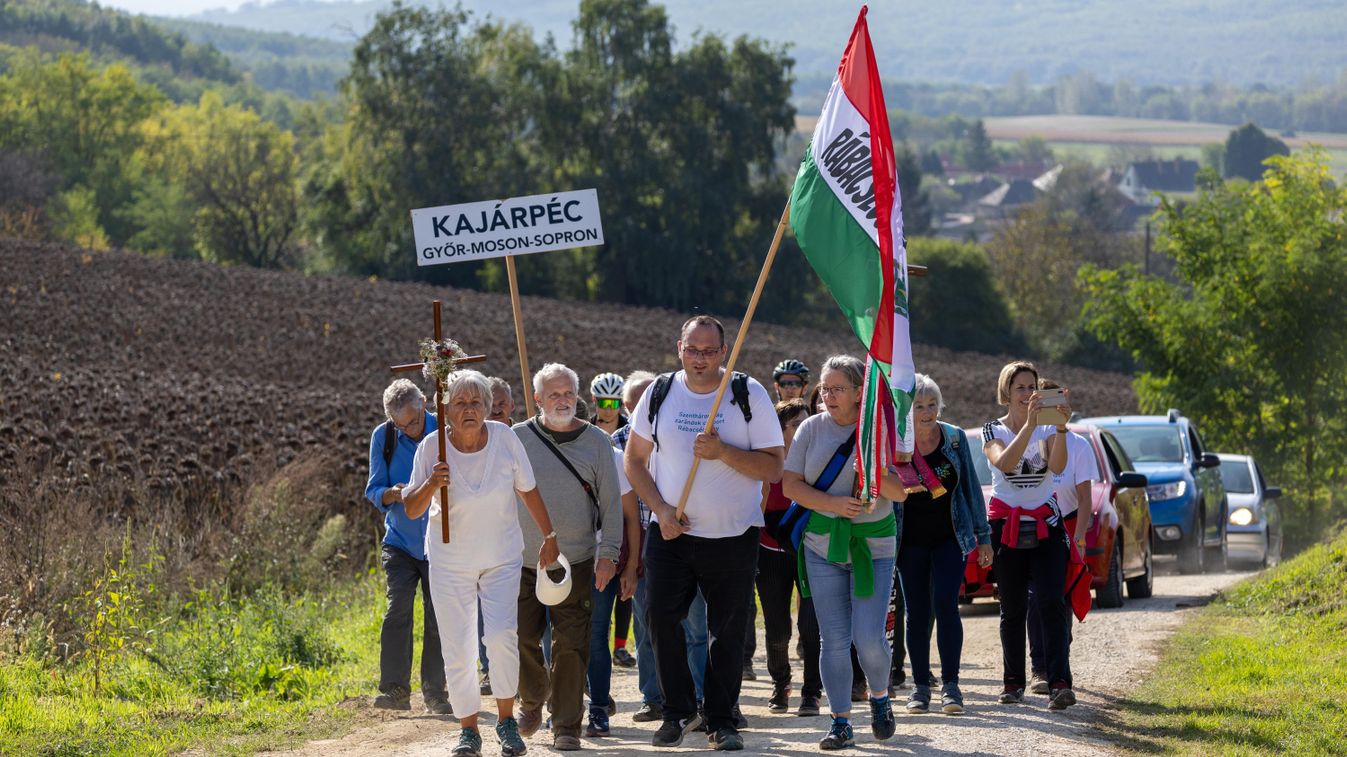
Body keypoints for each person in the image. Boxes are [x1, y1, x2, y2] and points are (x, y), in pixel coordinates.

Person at [625, 315, 784, 751]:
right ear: (679, 348)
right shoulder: (659, 394)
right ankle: (677, 711)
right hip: (671, 533)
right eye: (693, 350)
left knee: (727, 631)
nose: (700, 359)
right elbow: (634, 461)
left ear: (724, 352)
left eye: (710, 351)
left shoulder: (746, 394)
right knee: (659, 616)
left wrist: (723, 452)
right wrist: (659, 510)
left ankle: (721, 718)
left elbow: (773, 467)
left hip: (734, 536)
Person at [403, 370, 560, 757]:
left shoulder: (505, 439)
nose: (469, 409)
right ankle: (468, 728)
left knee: (503, 636)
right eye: (460, 403)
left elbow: (528, 489)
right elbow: (411, 508)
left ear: (488, 407)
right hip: (450, 561)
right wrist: (430, 484)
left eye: (476, 402)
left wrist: (550, 537)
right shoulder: (431, 448)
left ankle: (506, 722)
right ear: (446, 411)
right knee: (457, 646)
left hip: (501, 558)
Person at [782, 355, 906, 750]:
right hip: (822, 544)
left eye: (838, 389)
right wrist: (832, 505)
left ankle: (880, 696)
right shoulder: (809, 429)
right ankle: (839, 722)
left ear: (859, 393)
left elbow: (900, 492)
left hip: (875, 545)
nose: (829, 396)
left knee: (868, 637)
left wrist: (870, 470)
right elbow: (789, 486)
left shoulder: (880, 429)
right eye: (825, 388)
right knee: (832, 639)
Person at [513, 363, 623, 751]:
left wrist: (609, 554)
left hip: (577, 561)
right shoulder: (517, 438)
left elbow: (611, 505)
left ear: (577, 397)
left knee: (571, 645)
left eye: (567, 393)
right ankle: (532, 696)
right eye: (553, 394)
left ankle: (566, 726)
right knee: (522, 638)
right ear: (538, 398)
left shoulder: (596, 442)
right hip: (523, 561)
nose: (561, 400)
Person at [893, 374, 993, 716]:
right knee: (918, 614)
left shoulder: (953, 438)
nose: (926, 412)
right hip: (908, 542)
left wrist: (984, 537)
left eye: (932, 404)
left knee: (947, 606)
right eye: (919, 406)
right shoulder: (896, 441)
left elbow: (970, 490)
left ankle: (951, 685)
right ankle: (920, 687)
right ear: (907, 410)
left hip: (951, 537)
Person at [981, 360, 1074, 710]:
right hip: (1006, 527)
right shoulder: (993, 429)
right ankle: (1012, 682)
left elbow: (1059, 467)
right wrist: (1030, 425)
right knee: (1013, 608)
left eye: (1032, 387)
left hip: (1047, 524)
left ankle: (1059, 681)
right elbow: (1004, 463)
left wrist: (1061, 429)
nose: (1027, 394)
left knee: (1052, 602)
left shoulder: (1048, 430)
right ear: (1006, 392)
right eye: (1020, 387)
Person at [364, 379, 450, 715]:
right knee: (397, 607)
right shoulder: (382, 437)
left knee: (437, 615)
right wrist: (394, 494)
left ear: (425, 403)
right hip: (400, 541)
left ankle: (436, 693)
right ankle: (395, 690)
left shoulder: (444, 431)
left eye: (415, 421)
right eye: (403, 425)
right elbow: (374, 490)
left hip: (440, 540)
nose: (411, 430)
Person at [756, 399, 824, 715]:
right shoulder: (765, 461)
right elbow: (755, 511)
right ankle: (781, 683)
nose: (803, 429)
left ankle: (812, 692)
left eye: (806, 423)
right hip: (770, 553)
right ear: (779, 428)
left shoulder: (817, 458)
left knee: (811, 626)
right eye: (796, 424)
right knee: (778, 628)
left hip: (811, 552)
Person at [1027, 378, 1094, 696]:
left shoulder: (1079, 446)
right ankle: (1039, 668)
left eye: (1050, 403)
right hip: (1029, 524)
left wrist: (1079, 536)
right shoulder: (1024, 440)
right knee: (1033, 598)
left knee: (1058, 599)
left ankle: (1058, 658)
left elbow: (1084, 498)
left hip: (1065, 527)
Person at [588, 371, 637, 670]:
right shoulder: (585, 432)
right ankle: (602, 644)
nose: (609, 407)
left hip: (625, 512)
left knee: (624, 588)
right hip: (593, 522)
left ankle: (620, 646)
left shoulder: (630, 434)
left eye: (615, 401)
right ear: (594, 401)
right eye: (603, 401)